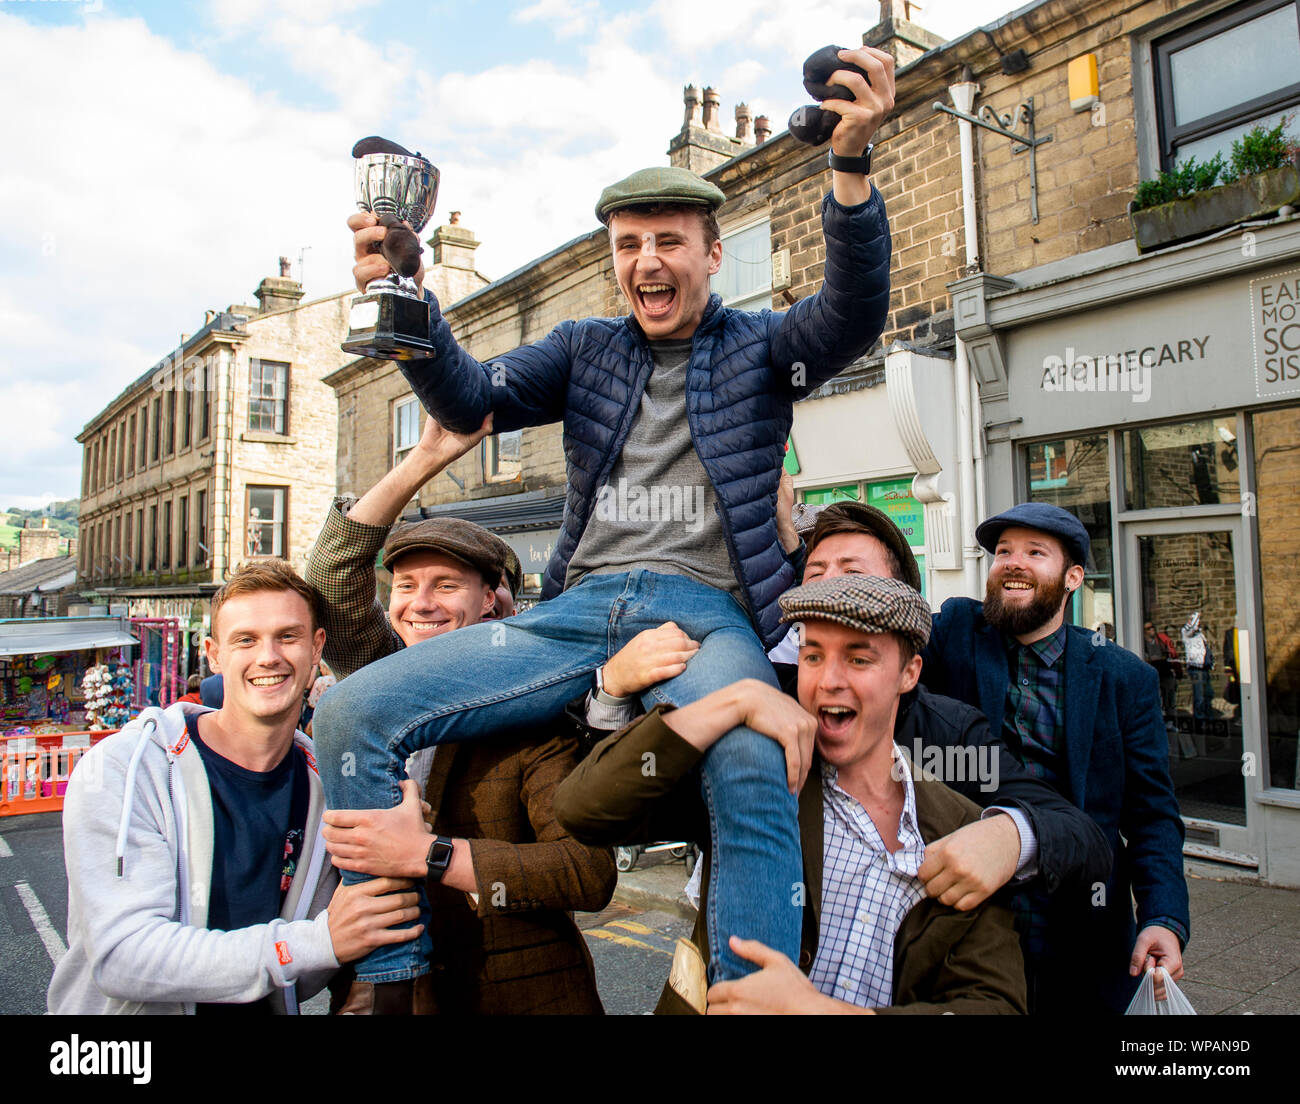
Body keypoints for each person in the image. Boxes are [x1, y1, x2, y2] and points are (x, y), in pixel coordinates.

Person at [312, 44, 898, 1005]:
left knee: (757, 752)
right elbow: (469, 397)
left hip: (708, 615)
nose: (649, 261)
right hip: (574, 615)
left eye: (671, 240)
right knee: (348, 711)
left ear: (713, 253)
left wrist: (848, 168)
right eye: (630, 245)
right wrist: (410, 293)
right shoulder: (583, 349)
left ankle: (751, 1004)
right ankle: (390, 971)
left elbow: (851, 313)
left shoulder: (760, 347)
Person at [304, 410, 686, 1014]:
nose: (419, 605)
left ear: (491, 601)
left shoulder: (530, 712)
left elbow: (586, 874)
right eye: (405, 586)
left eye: (446, 586)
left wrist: (428, 855)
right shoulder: (376, 676)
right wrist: (426, 459)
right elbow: (330, 572)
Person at [554, 573, 1027, 1014]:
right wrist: (726, 703)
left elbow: (994, 1004)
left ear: (910, 672)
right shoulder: (754, 774)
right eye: (813, 654)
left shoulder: (963, 832)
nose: (828, 680)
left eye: (859, 659)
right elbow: (583, 810)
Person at [48, 560, 420, 1014]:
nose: (268, 656)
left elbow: (314, 972)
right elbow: (123, 959)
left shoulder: (328, 788)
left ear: (316, 647)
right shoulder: (125, 769)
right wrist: (314, 942)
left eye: (288, 636)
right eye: (246, 639)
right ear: (214, 654)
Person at [772, 499, 1112, 909]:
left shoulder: (947, 739)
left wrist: (1011, 836)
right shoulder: (767, 702)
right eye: (816, 572)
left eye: (853, 572)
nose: (831, 586)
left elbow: (1086, 837)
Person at [919, 502, 1190, 1014]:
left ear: (1073, 578)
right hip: (968, 924)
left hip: (1081, 930)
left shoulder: (1122, 679)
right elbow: (878, 633)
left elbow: (1152, 815)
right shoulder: (956, 631)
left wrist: (1163, 918)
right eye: (1003, 551)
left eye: (1034, 552)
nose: (1012, 562)